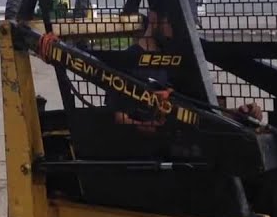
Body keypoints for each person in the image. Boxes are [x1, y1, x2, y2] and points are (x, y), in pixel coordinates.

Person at [108, 7, 264, 130]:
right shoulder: (127, 62)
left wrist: (237, 115)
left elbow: (201, 113)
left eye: (187, 27)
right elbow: (117, 119)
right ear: (154, 18)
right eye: (176, 25)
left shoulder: (182, 62)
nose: (182, 33)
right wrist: (152, 128)